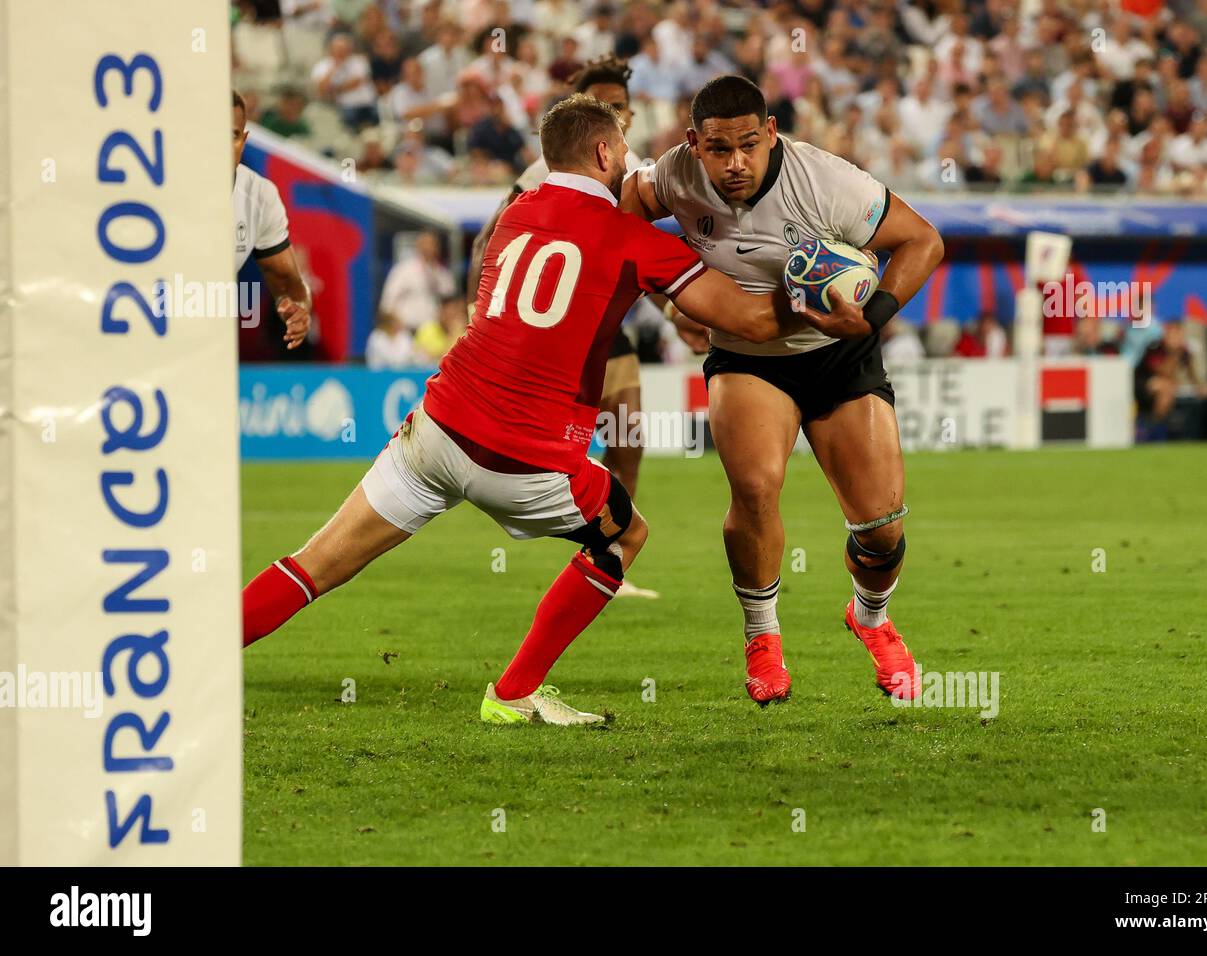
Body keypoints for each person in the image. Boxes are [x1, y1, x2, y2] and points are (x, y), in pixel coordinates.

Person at [240, 94, 867, 726]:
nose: (630, 160)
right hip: (526, 458)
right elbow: (755, 320)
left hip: (435, 427)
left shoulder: (518, 211)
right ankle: (514, 693)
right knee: (626, 535)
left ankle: (195, 661)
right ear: (601, 153)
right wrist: (826, 301)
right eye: (622, 148)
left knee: (314, 563)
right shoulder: (632, 239)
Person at [622, 75, 944, 705]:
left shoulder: (828, 182)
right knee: (754, 487)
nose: (735, 162)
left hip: (839, 353)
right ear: (694, 144)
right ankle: (762, 635)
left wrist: (872, 316)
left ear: (771, 134)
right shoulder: (673, 176)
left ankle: (871, 618)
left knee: (880, 525)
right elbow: (624, 213)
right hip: (746, 357)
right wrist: (669, 296)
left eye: (749, 144)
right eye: (718, 149)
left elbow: (923, 240)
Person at [470, 56, 660, 598]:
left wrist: (678, 315)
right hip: (553, 330)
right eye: (604, 108)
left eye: (619, 107)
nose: (615, 117)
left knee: (629, 434)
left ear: (632, 112)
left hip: (605, 327)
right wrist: (474, 313)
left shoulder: (638, 170)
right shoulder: (551, 173)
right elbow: (489, 240)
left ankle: (609, 552)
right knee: (556, 447)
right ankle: (593, 540)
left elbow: (643, 262)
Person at [232, 90, 311, 351]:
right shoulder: (162, 188)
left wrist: (298, 311)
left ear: (243, 141)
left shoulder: (260, 195)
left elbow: (288, 284)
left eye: (232, 136)